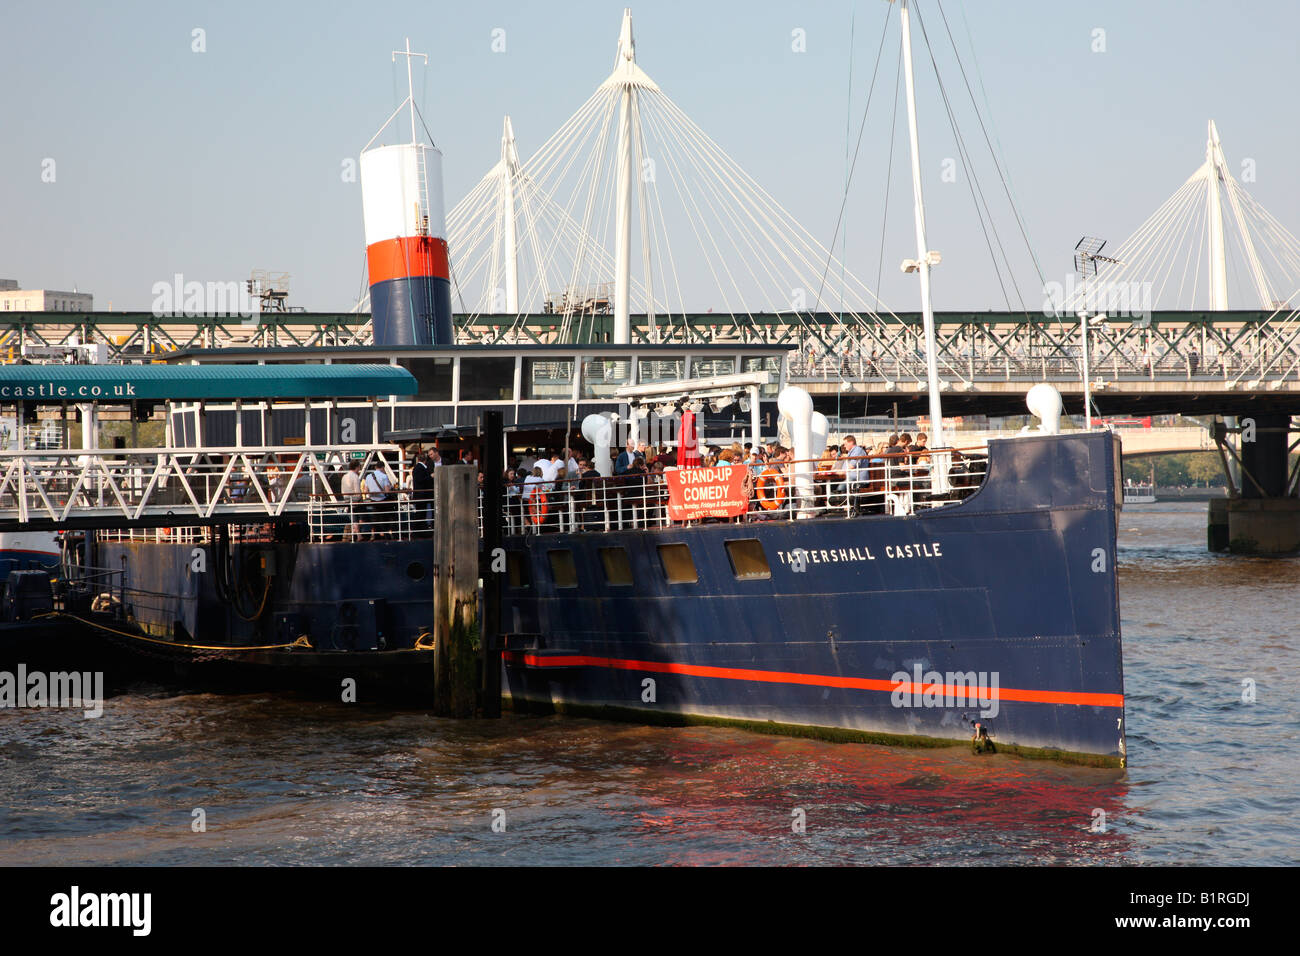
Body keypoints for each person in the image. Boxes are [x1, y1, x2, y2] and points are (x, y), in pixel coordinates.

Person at [363, 463, 394, 538]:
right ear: (383, 467)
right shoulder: (384, 476)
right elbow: (387, 491)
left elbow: (365, 491)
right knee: (385, 518)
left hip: (373, 500)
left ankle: (376, 535)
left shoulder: (368, 476)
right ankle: (386, 535)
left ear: (375, 467)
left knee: (375, 518)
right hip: (383, 500)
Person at [411, 445, 435, 535]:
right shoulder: (419, 468)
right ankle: (417, 531)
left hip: (420, 495)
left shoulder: (417, 468)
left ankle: (419, 531)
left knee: (421, 513)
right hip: (421, 495)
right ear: (425, 460)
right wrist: (430, 476)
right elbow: (420, 480)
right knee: (420, 513)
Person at [340, 458, 363, 540]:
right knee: (361, 517)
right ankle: (359, 534)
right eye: (359, 467)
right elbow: (358, 491)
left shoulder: (344, 477)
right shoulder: (355, 477)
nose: (359, 469)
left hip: (347, 500)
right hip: (355, 500)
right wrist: (360, 498)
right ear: (356, 467)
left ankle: (356, 534)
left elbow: (342, 491)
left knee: (353, 518)